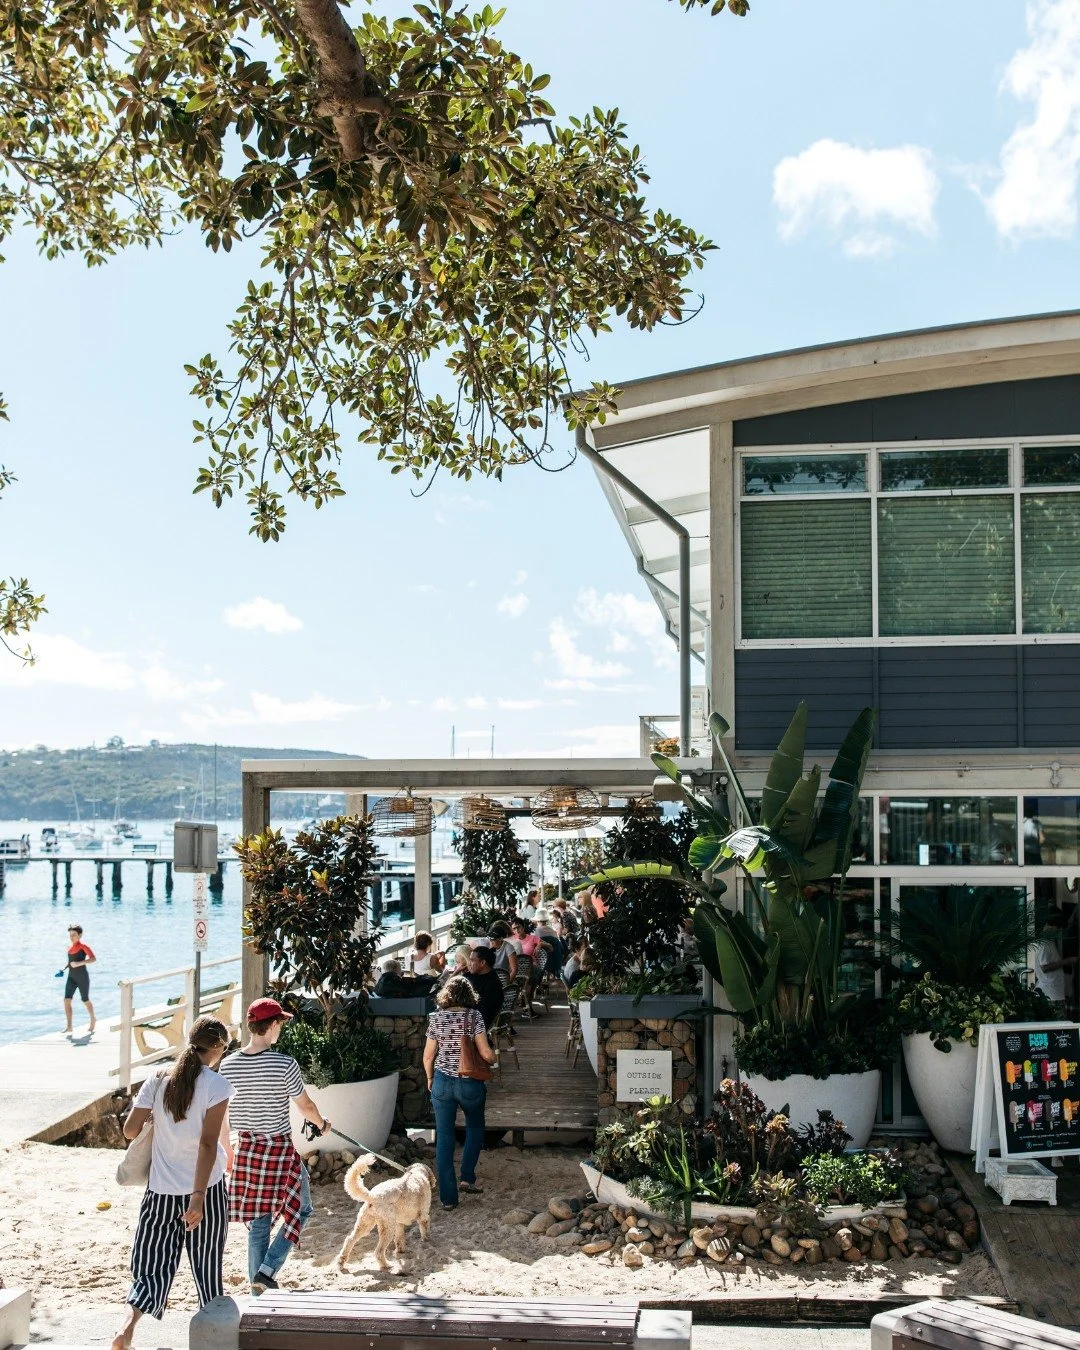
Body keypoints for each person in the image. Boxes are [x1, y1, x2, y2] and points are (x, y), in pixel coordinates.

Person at [112, 1016, 233, 1350]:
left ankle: (126, 1330)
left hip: (160, 1192)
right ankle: (212, 1341)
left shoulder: (158, 1078)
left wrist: (159, 1120)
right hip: (204, 1193)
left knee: (150, 1271)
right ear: (219, 1048)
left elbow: (130, 1131)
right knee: (207, 1268)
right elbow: (208, 1145)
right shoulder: (217, 1085)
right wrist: (196, 1198)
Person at [218, 997, 332, 1294]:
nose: (280, 1028)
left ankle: (259, 1287)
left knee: (259, 1221)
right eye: (279, 1022)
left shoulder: (228, 1065)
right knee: (302, 1209)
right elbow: (305, 1105)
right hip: (278, 1150)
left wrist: (228, 1152)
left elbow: (220, 1115)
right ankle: (267, 1270)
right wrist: (321, 1124)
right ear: (270, 1026)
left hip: (245, 1149)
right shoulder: (284, 1063)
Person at [422, 975, 496, 1210]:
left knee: (444, 1139)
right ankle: (467, 1177)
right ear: (468, 995)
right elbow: (485, 1052)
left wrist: (430, 1077)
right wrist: (493, 1058)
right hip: (469, 1082)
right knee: (475, 1128)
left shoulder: (436, 1018)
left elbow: (428, 1056)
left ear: (446, 994)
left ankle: (448, 1199)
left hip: (442, 1082)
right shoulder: (474, 1017)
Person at [1035, 911, 1077, 1013]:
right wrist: (1068, 961)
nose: (1058, 931)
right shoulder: (1044, 944)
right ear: (1048, 925)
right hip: (1050, 995)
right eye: (1056, 928)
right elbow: (1044, 967)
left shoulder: (1049, 941)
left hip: (1055, 993)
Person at [62, 924, 96, 1036]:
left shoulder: (84, 947)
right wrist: (63, 969)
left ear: (80, 935)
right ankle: (69, 1026)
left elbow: (93, 959)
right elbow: (70, 962)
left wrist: (79, 963)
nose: (72, 937)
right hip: (71, 977)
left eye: (74, 935)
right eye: (70, 935)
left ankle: (93, 1019)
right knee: (67, 1000)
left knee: (85, 999)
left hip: (82, 977)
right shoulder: (69, 947)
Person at [466, 946, 505, 1030]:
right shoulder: (475, 976)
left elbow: (484, 1014)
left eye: (472, 960)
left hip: (474, 1026)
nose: (469, 963)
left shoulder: (492, 985)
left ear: (482, 962)